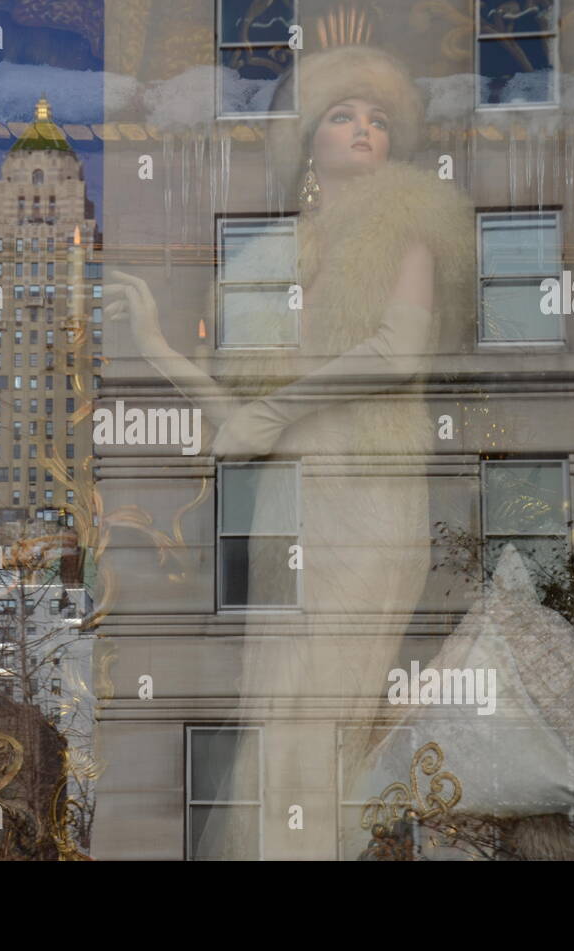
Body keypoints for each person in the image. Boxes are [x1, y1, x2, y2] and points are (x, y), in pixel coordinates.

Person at [105, 46, 476, 859]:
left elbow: (400, 350)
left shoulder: (407, 215)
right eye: (343, 116)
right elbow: (242, 424)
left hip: (366, 478)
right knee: (279, 696)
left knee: (334, 695)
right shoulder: (274, 253)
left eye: (379, 119)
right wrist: (158, 347)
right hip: (288, 492)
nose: (364, 131)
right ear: (310, 141)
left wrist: (276, 407)